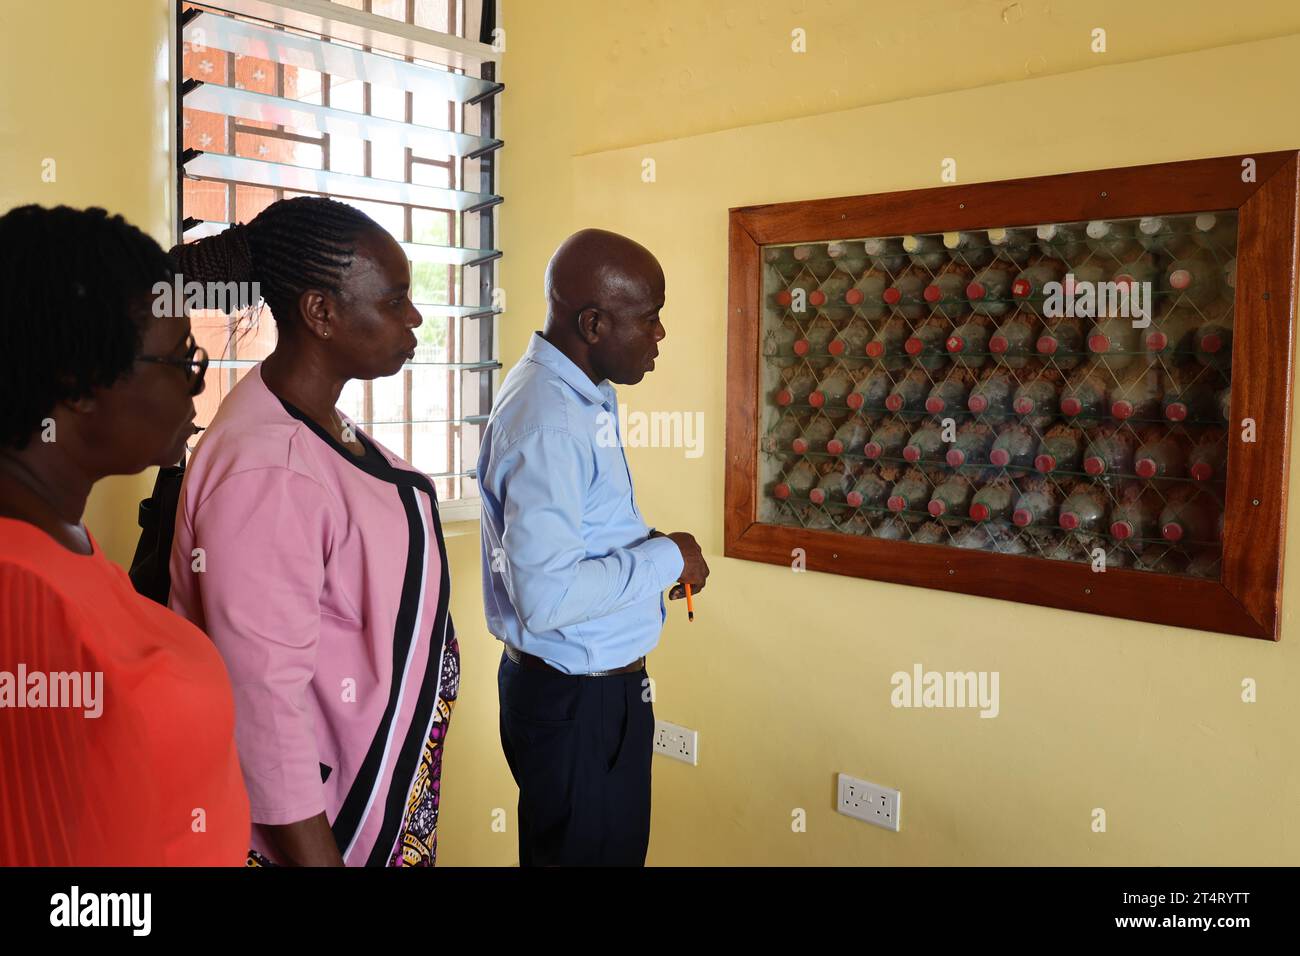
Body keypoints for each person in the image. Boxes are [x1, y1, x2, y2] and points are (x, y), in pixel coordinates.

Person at [167, 197, 459, 867]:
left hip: (360, 796)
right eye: (394, 302)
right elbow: (263, 700)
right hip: (314, 840)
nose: (414, 318)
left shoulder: (318, 429)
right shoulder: (270, 469)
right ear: (321, 313)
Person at [0, 204, 249, 865]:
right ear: (79, 384)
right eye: (178, 360)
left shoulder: (62, 545)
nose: (195, 387)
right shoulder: (18, 595)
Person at [478, 228, 710, 866]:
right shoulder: (551, 420)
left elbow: (581, 537)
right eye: (651, 319)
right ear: (594, 323)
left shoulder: (581, 392)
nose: (660, 335)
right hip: (577, 702)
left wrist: (649, 551)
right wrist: (668, 558)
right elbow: (547, 597)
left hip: (595, 696)